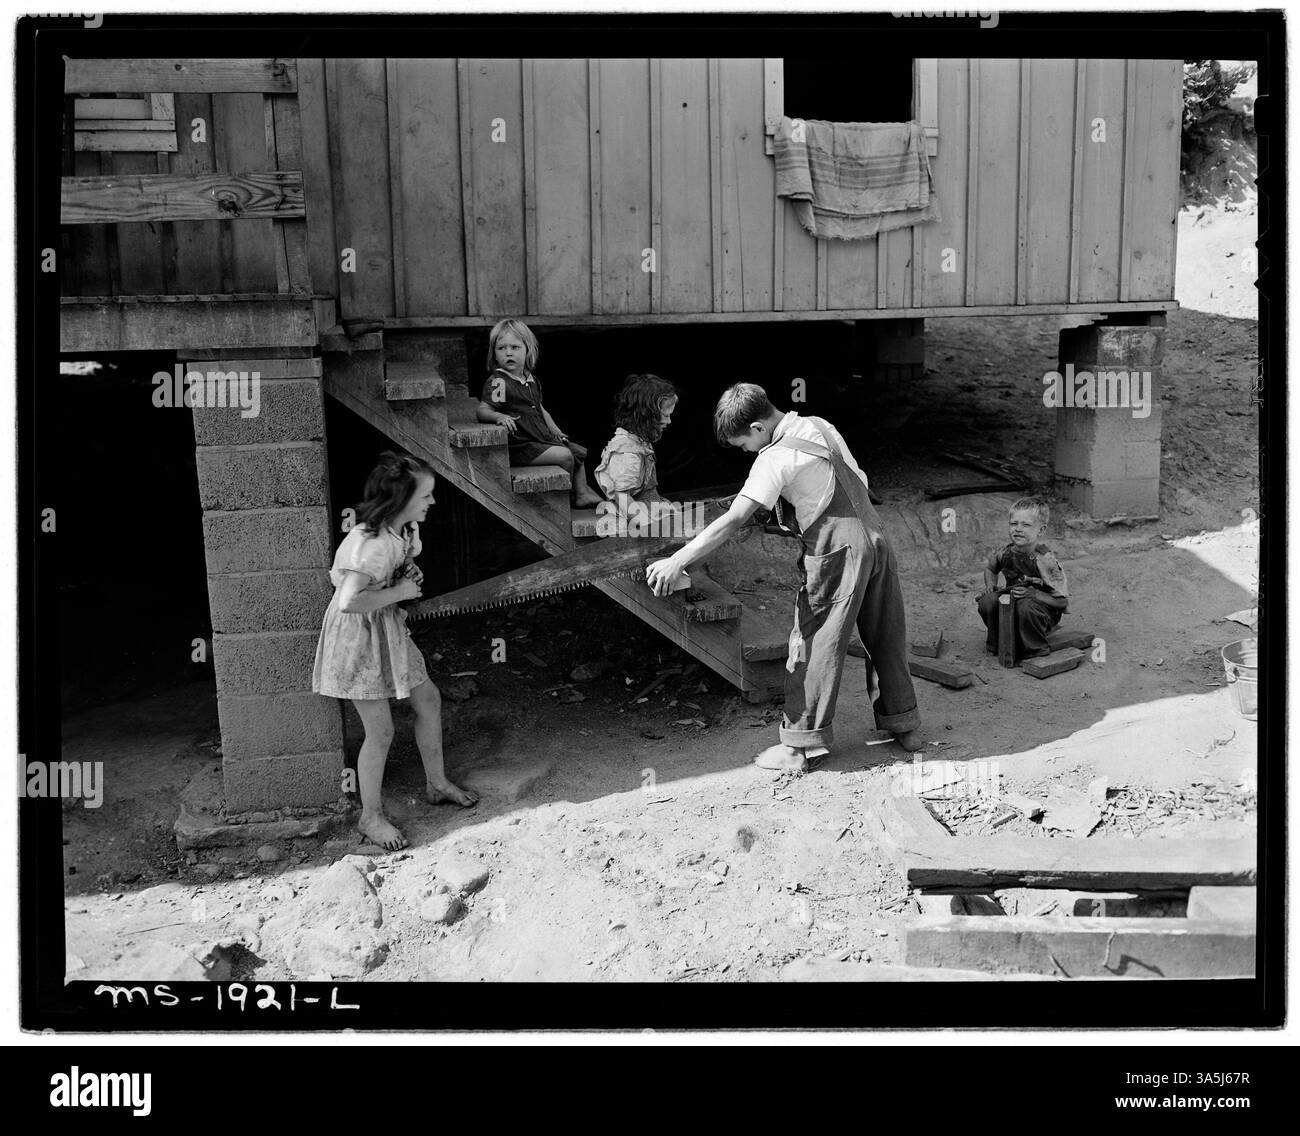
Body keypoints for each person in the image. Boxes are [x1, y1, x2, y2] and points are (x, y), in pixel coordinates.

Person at [646, 383, 922, 771]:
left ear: (758, 428)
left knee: (812, 643)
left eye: (743, 444)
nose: (746, 452)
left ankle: (800, 746)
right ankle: (905, 725)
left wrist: (679, 559)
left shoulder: (773, 458)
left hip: (836, 549)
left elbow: (734, 519)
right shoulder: (819, 425)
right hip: (877, 539)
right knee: (885, 635)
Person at [312, 451, 478, 851]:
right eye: (425, 497)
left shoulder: (399, 532)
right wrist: (400, 592)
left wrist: (404, 576)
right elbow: (350, 600)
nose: (431, 503)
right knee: (381, 731)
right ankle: (370, 817)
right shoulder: (369, 544)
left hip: (386, 627)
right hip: (359, 638)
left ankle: (436, 783)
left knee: (428, 699)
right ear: (402, 500)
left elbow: (390, 574)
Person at [476, 318, 603, 508]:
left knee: (576, 451)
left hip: (538, 438)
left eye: (515, 347)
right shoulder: (499, 382)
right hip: (521, 445)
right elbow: (483, 410)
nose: (508, 353)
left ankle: (582, 493)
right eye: (501, 348)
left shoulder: (530, 379)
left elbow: (540, 409)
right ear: (494, 353)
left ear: (527, 349)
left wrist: (556, 431)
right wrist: (499, 416)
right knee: (565, 456)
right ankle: (562, 499)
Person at [976, 498, 1069, 660]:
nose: (1018, 529)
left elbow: (1062, 602)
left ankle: (1035, 649)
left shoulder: (1045, 560)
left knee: (1026, 607)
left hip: (1041, 611)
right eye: (1014, 524)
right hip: (1015, 601)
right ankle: (999, 642)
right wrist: (991, 585)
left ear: (1040, 530)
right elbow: (991, 569)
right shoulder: (1005, 552)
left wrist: (1035, 594)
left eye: (1026, 525)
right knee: (987, 601)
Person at [593, 373, 679, 527]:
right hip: (637, 516)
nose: (669, 421)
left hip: (651, 506)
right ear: (646, 416)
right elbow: (623, 497)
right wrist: (650, 529)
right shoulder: (628, 453)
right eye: (665, 416)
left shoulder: (638, 441)